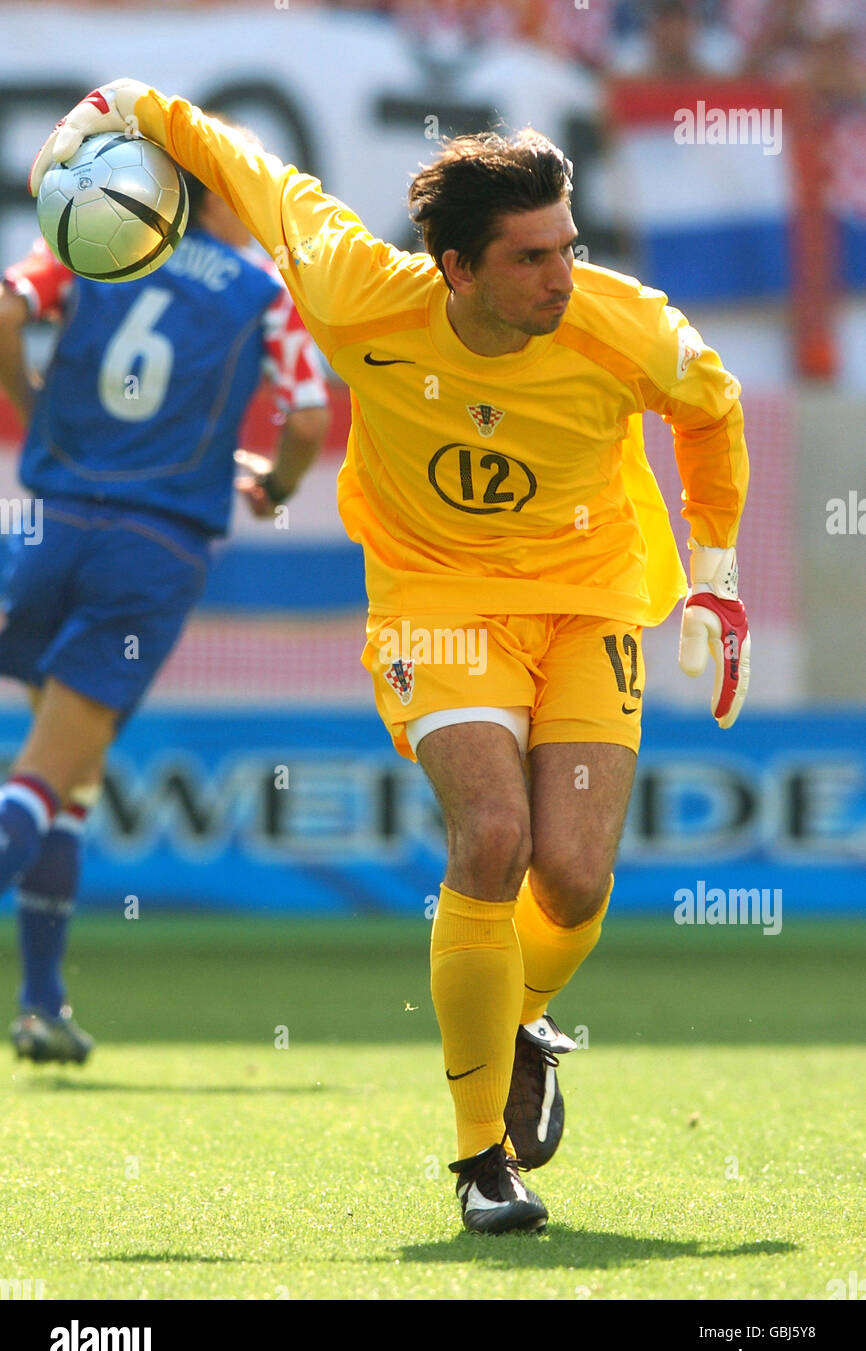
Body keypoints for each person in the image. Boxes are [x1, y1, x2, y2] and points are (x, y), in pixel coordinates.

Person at [28, 82, 750, 1233]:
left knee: (570, 875)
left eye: (566, 246)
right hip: (433, 598)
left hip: (588, 598)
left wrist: (712, 573)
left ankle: (519, 1021)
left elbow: (709, 409)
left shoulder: (621, 325)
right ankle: (481, 1164)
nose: (561, 277)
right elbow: (241, 161)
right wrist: (117, 106)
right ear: (456, 269)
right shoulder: (355, 291)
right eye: (529, 259)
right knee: (493, 837)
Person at [0, 160, 330, 1065]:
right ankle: (38, 997)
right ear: (215, 198)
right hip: (150, 550)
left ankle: (41, 1002)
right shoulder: (267, 292)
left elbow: (5, 308)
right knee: (41, 779)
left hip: (44, 523)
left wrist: (36, 411)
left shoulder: (92, 243)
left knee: (64, 770)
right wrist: (276, 486)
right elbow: (305, 421)